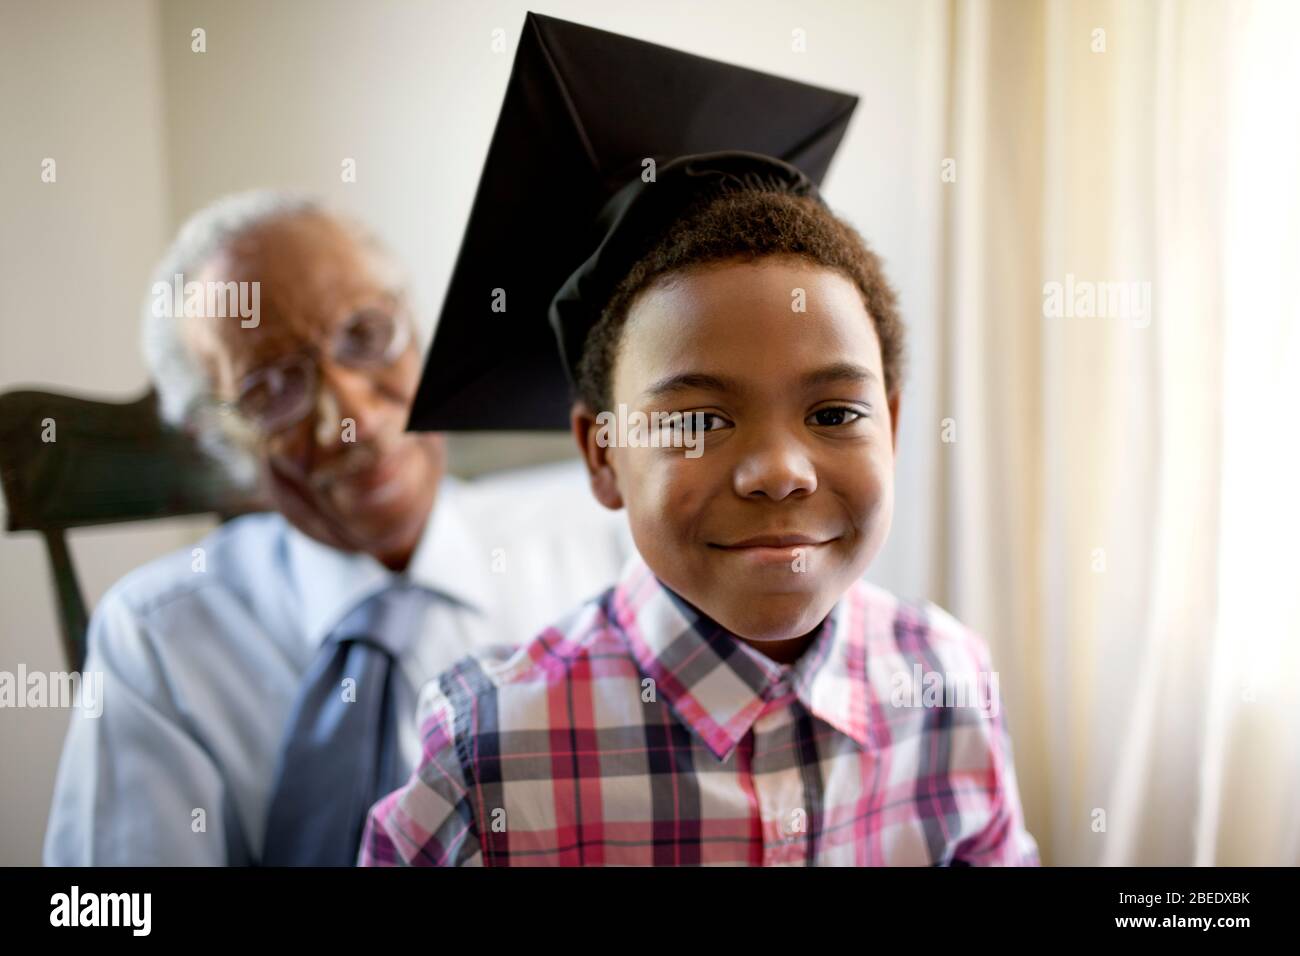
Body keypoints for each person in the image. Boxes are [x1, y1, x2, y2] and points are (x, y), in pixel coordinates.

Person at [359, 149, 1040, 866]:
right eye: (697, 422)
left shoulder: (950, 681)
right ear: (603, 456)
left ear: (893, 429)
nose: (780, 472)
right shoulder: (492, 749)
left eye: (835, 413)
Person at [43, 191, 630, 865]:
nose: (347, 415)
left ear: (413, 326)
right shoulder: (155, 640)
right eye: (270, 389)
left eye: (365, 336)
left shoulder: (606, 542)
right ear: (214, 436)